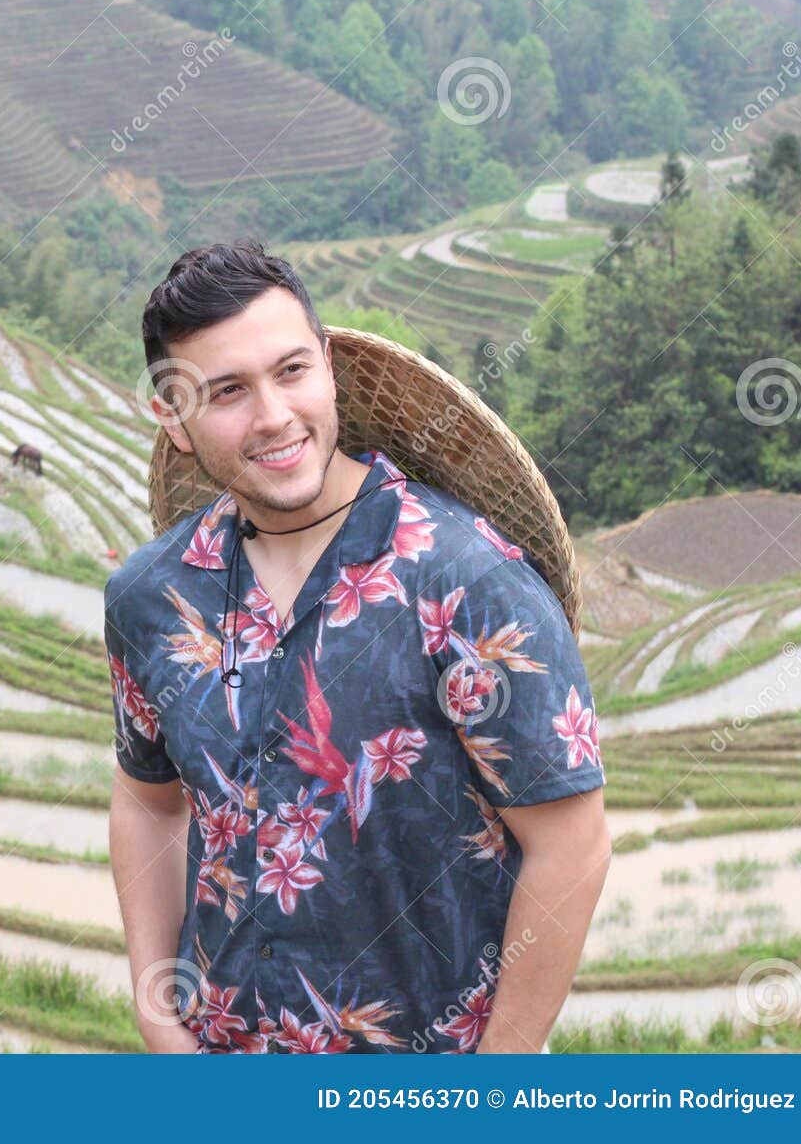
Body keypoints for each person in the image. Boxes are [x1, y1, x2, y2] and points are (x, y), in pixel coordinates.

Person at [104, 239, 610, 1054]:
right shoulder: (151, 596)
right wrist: (156, 1011)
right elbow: (146, 801)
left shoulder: (465, 579)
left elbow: (571, 844)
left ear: (330, 368)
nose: (273, 415)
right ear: (174, 417)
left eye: (291, 370)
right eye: (228, 391)